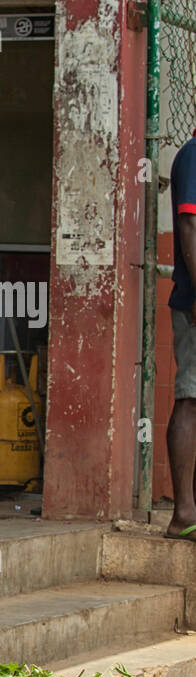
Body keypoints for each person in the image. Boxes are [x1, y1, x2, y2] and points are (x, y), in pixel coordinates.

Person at [166, 129, 196, 539]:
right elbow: (189, 225)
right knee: (191, 398)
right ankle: (183, 514)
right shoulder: (193, 156)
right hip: (193, 304)